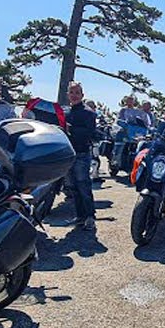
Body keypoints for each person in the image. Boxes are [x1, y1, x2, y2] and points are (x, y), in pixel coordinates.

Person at [64, 81, 98, 231]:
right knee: (73, 187)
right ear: (68, 95)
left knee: (83, 185)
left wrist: (71, 129)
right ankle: (80, 216)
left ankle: (90, 216)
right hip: (68, 154)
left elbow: (90, 133)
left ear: (82, 95)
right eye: (72, 92)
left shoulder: (88, 113)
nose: (74, 95)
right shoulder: (65, 113)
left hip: (82, 153)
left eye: (77, 92)